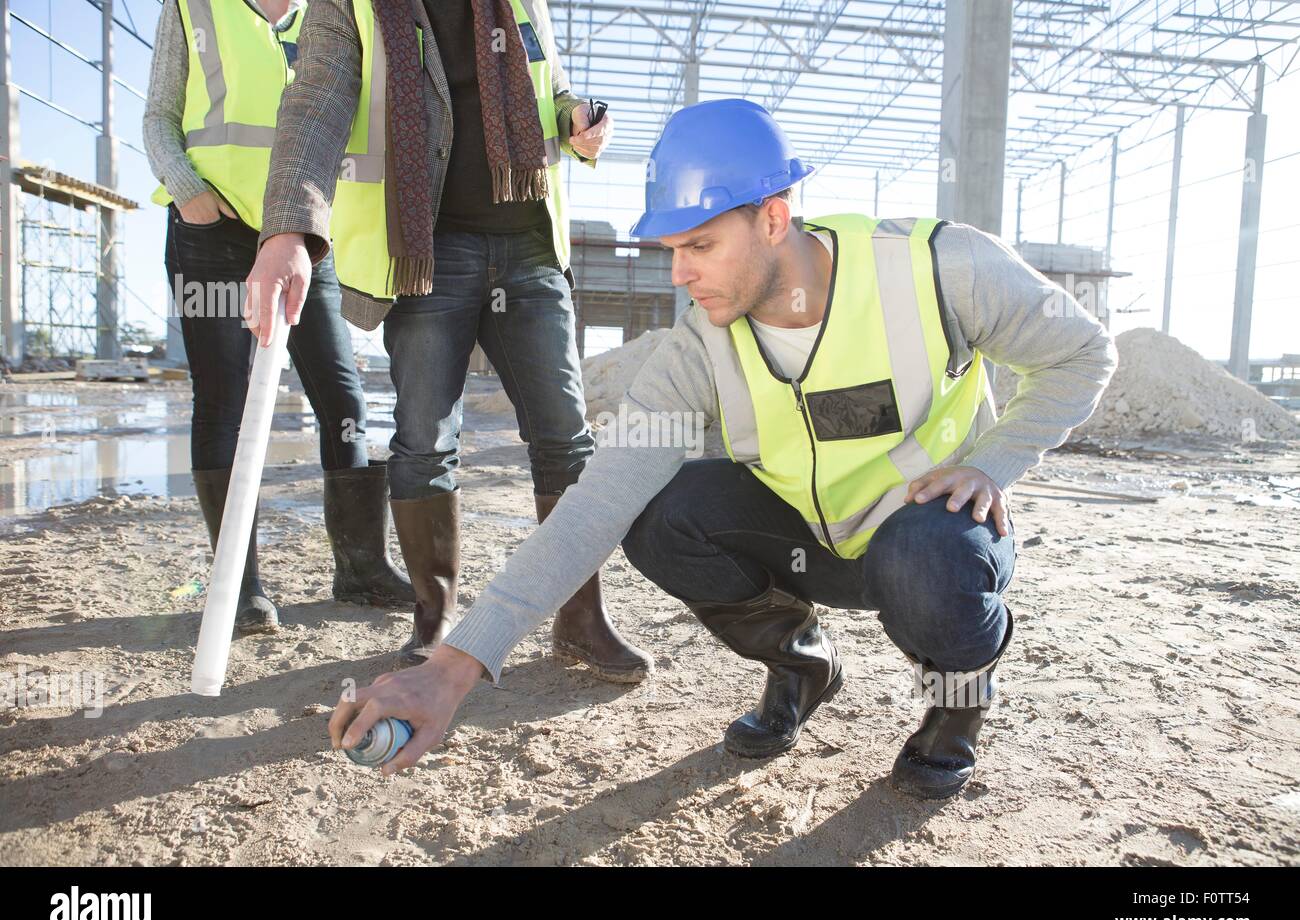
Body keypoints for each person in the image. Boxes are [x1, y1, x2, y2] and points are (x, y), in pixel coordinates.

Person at [328, 98, 1118, 800]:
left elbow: (1083, 354)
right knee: (660, 516)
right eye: (672, 249)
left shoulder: (940, 268)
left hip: (928, 536)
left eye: (700, 246)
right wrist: (454, 667)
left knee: (933, 558)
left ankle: (954, 719)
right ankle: (803, 663)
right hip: (813, 539)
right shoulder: (699, 347)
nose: (680, 275)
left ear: (773, 219)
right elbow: (597, 504)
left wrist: (995, 461)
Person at [245, 0, 651, 682]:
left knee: (565, 438)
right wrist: (288, 228)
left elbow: (545, 91)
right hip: (427, 249)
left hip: (527, 244)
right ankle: (434, 620)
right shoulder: (349, 7)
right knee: (425, 439)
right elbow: (314, 105)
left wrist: (575, 119)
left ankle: (581, 617)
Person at [144, 0, 414, 635]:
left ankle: (361, 569)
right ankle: (239, 585)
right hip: (210, 231)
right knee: (223, 403)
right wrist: (190, 192)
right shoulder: (192, 8)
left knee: (342, 396)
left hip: (297, 233)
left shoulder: (332, 13)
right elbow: (159, 116)